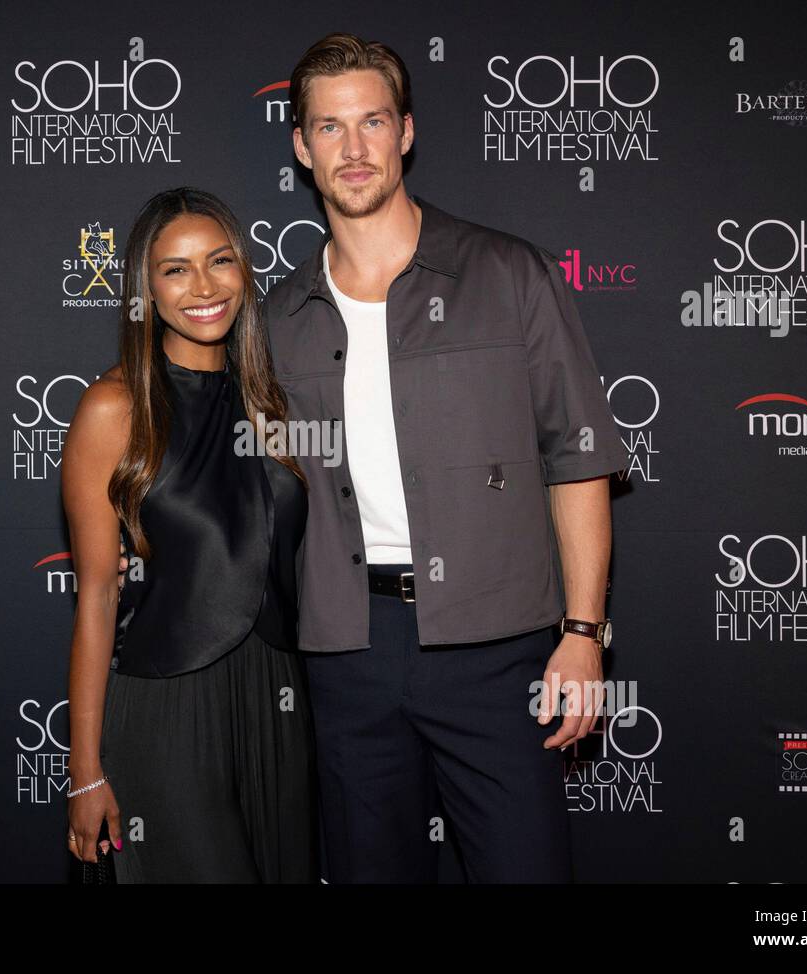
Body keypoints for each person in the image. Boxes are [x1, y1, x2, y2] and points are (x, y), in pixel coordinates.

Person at [260, 33, 628, 883]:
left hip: (498, 649)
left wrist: (582, 633)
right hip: (348, 652)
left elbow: (576, 460)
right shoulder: (278, 316)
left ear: (407, 132)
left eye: (372, 122)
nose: (353, 149)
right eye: (328, 128)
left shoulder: (510, 275)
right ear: (300, 146)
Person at [61, 187, 316, 883]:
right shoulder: (115, 409)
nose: (203, 287)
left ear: (244, 272)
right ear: (146, 288)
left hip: (279, 700)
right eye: (175, 270)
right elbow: (95, 597)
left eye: (220, 261)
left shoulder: (274, 399)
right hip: (166, 705)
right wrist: (84, 772)